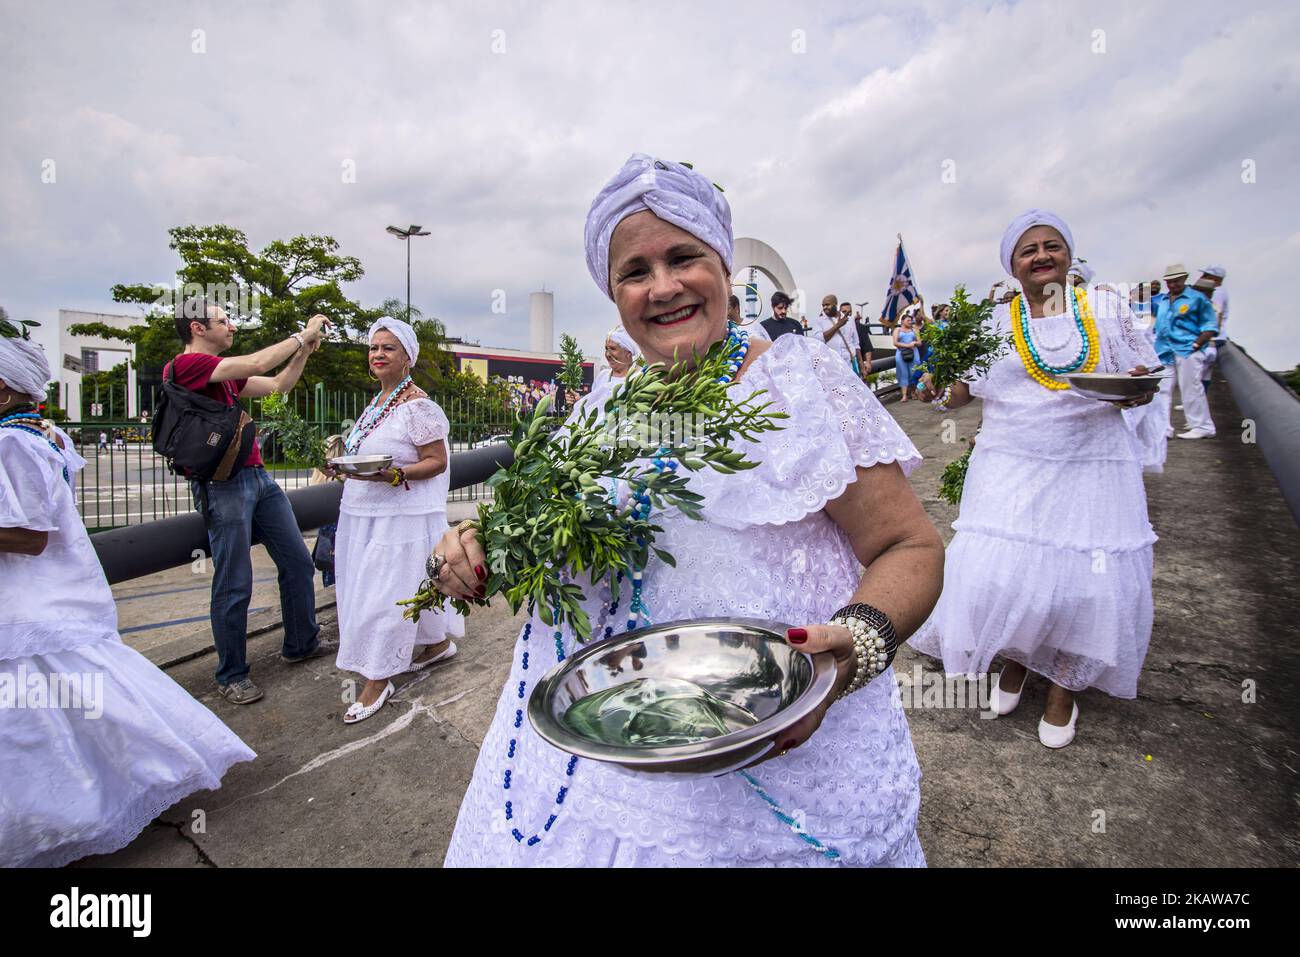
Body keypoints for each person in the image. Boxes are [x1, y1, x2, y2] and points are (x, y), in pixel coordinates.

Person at [435, 153, 944, 867]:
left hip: (778, 759)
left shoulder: (803, 385)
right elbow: (554, 544)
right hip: (603, 757)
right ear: (612, 292)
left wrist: (853, 647)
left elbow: (911, 548)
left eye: (684, 257)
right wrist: (478, 545)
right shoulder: (602, 408)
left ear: (724, 263)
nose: (663, 287)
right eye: (634, 272)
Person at [0, 326, 254, 866]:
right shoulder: (46, 433)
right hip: (61, 593)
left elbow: (29, 534)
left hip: (31, 599)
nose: (230, 328)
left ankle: (73, 812)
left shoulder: (12, 443)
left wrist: (302, 340)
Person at [914, 209, 1162, 749]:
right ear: (1013, 266)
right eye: (1028, 250)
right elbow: (959, 394)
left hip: (1092, 461)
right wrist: (938, 385)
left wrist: (1140, 388)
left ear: (1069, 255)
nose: (1042, 256)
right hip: (1011, 461)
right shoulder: (992, 323)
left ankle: (1062, 688)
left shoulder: (1105, 307)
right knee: (1004, 576)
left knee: (1084, 583)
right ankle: (1018, 659)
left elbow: (1144, 372)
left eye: (1052, 245)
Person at [166, 299, 331, 704]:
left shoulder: (221, 377)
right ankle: (232, 673)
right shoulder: (187, 366)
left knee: (295, 559)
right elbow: (258, 364)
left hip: (256, 478)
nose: (232, 326)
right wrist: (302, 334)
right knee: (234, 581)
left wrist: (304, 353)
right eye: (223, 321)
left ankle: (301, 643)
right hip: (222, 485)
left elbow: (276, 386)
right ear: (197, 328)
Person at [326, 318, 462, 724]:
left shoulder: (419, 406)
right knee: (377, 589)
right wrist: (343, 466)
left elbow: (436, 462)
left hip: (398, 519)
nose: (378, 354)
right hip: (362, 512)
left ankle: (378, 677)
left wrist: (397, 475)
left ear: (408, 358)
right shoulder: (377, 404)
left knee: (384, 597)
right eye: (374, 348)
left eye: (388, 348)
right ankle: (436, 646)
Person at [1152, 264, 1218, 439]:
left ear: (1184, 279)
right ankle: (1163, 427)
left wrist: (1197, 344)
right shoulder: (1163, 301)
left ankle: (1202, 426)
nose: (1173, 285)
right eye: (1170, 282)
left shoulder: (1197, 299)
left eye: (1176, 281)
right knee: (1162, 389)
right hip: (1164, 350)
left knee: (1191, 387)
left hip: (1187, 348)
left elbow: (1210, 325)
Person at [810, 294, 862, 373]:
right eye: (823, 305)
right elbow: (818, 340)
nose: (824, 307)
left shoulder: (850, 320)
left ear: (835, 304)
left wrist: (861, 365)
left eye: (827, 305)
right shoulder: (819, 321)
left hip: (850, 365)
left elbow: (856, 343)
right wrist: (838, 325)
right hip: (831, 368)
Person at [892, 314, 921, 401]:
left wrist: (914, 343)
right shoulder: (897, 330)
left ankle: (913, 392)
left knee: (914, 371)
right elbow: (895, 343)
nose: (909, 322)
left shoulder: (914, 329)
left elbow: (920, 342)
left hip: (913, 352)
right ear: (902, 321)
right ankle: (904, 395)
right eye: (907, 320)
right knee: (903, 372)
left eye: (910, 320)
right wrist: (907, 345)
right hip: (901, 353)